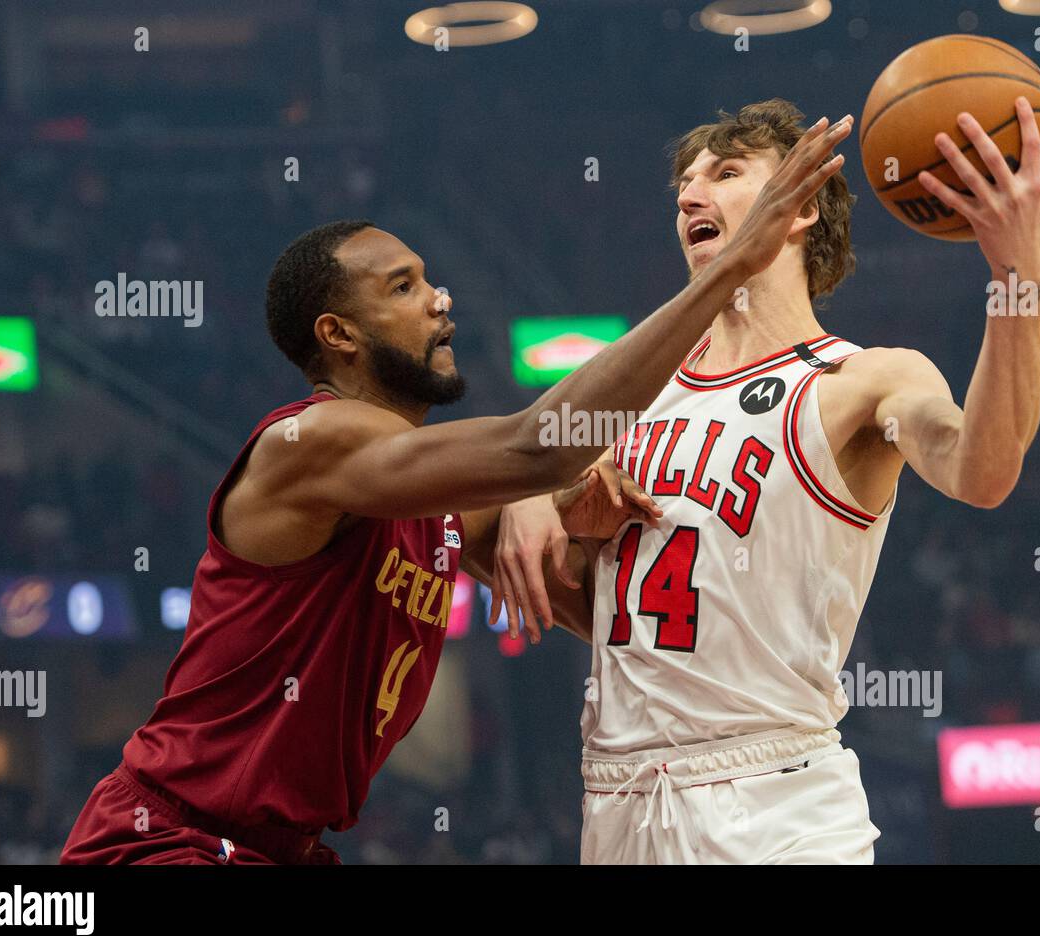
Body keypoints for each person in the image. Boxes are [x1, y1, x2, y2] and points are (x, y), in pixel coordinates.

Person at [58, 114, 853, 864]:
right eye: (403, 289)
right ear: (338, 334)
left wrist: (560, 511)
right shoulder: (310, 442)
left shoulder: (436, 497)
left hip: (281, 845)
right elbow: (537, 444)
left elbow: (604, 610)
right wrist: (729, 272)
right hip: (166, 836)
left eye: (431, 279)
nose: (441, 299)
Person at [492, 97, 1040, 863]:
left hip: (773, 797)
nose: (689, 194)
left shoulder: (860, 378)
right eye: (684, 183)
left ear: (799, 208)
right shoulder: (632, 394)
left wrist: (1020, 271)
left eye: (726, 172)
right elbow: (528, 473)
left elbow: (986, 469)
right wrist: (532, 492)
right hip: (617, 800)